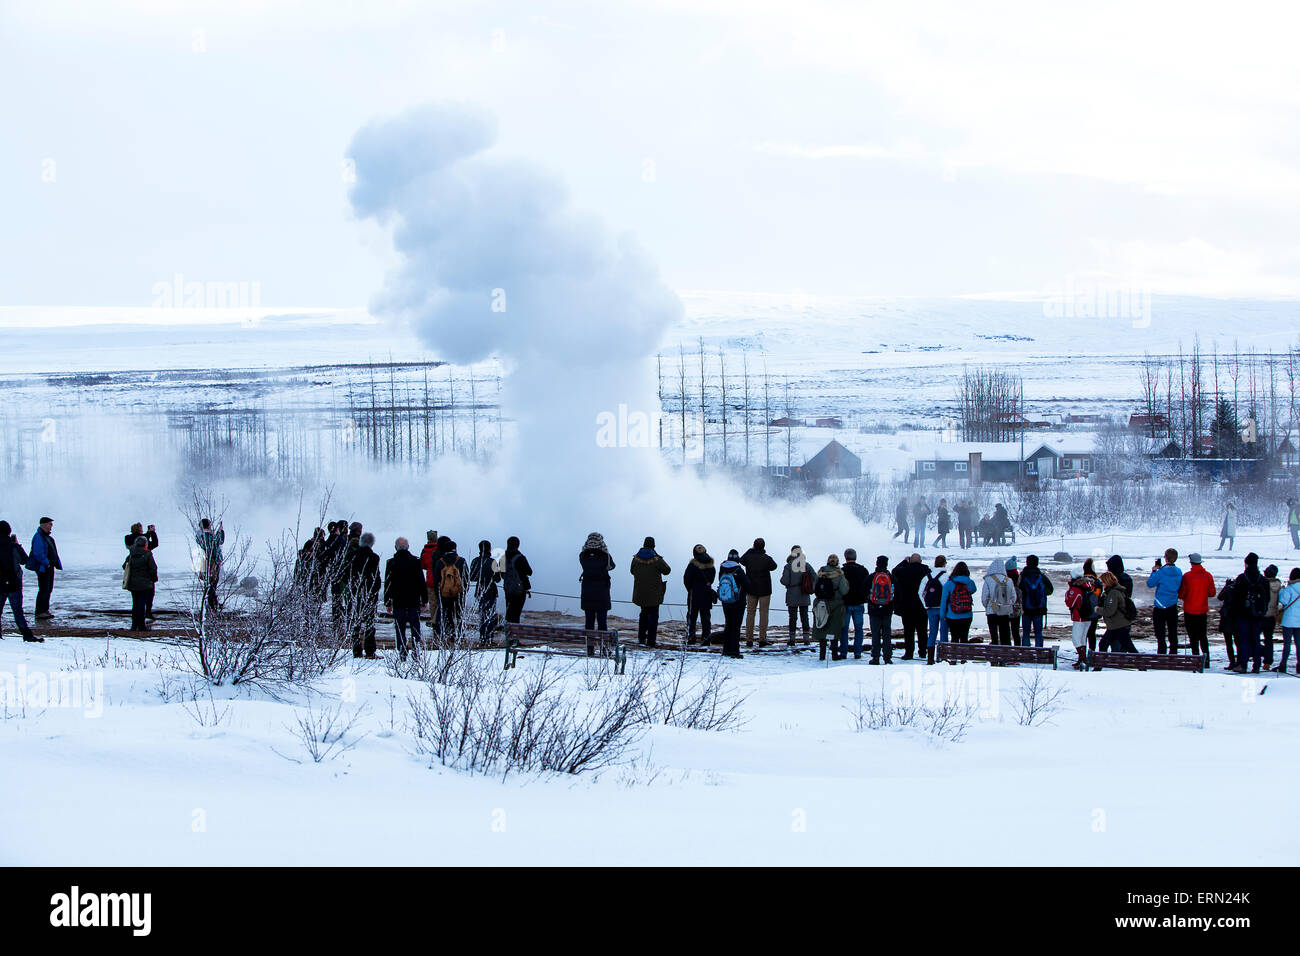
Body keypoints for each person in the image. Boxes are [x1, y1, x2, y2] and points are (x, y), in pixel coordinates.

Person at [384, 537, 428, 660]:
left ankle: (402, 652)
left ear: (395, 547)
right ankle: (416, 651)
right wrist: (424, 599)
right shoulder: (415, 561)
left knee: (400, 628)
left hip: (398, 601)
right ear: (408, 547)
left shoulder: (391, 562)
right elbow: (421, 581)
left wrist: (387, 602)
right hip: (413, 600)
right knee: (415, 628)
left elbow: (388, 584)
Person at [0, 521, 40, 642]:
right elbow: (25, 561)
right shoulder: (13, 546)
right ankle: (27, 635)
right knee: (18, 612)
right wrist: (17, 545)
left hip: (0, 585)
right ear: (9, 532)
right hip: (14, 584)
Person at [1230, 552, 1269, 673]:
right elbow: (1267, 598)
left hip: (1243, 614)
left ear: (1246, 564)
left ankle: (1243, 664)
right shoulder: (1263, 580)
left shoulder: (1241, 578)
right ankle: (1256, 665)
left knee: (1244, 640)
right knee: (1256, 639)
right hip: (1258, 614)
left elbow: (1235, 597)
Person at [630, 536, 671, 648]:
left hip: (640, 592)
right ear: (653, 545)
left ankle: (641, 638)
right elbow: (667, 570)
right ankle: (651, 641)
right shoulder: (656, 559)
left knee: (643, 614)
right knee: (653, 616)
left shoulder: (636, 558)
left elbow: (632, 571)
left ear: (643, 544)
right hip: (654, 593)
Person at [347, 531, 381, 659]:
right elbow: (376, 577)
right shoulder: (374, 557)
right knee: (369, 623)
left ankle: (356, 650)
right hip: (369, 593)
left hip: (354, 592)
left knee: (355, 622)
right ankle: (370, 650)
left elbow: (346, 574)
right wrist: (375, 590)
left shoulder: (351, 556)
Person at [739, 538, 778, 648]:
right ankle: (762, 639)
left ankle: (749, 639)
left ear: (754, 546)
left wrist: (750, 550)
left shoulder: (748, 557)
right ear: (764, 546)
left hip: (751, 588)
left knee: (750, 613)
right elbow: (774, 566)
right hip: (765, 589)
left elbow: (741, 560)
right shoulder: (767, 558)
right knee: (764, 613)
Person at [1178, 553, 1215, 667]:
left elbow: (1182, 594)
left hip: (1190, 610)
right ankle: (1206, 660)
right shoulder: (1207, 575)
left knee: (1193, 637)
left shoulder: (1187, 576)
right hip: (1202, 610)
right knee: (1203, 636)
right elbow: (1212, 593)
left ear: (1191, 562)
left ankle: (1196, 659)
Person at [892, 553, 930, 660]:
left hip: (907, 605)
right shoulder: (926, 570)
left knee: (908, 631)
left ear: (910, 561)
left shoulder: (903, 570)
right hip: (922, 605)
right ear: (921, 561)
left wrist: (904, 561)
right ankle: (923, 651)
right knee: (922, 630)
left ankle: (909, 652)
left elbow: (894, 571)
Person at [811, 554, 849, 662]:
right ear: (837, 562)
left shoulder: (820, 573)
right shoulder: (839, 574)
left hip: (821, 603)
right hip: (836, 604)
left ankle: (822, 654)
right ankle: (834, 654)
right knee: (834, 629)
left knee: (822, 627)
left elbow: (814, 588)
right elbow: (844, 590)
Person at [1146, 549, 1183, 655]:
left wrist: (1154, 571)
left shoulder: (1161, 572)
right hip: (1172, 604)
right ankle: (1173, 653)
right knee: (1173, 632)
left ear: (1165, 558)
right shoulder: (1179, 571)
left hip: (1160, 606)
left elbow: (1150, 584)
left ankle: (1162, 653)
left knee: (1160, 634)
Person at [717, 549, 751, 659]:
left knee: (728, 624)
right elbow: (747, 584)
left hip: (726, 601)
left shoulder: (722, 568)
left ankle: (726, 650)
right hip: (738, 601)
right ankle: (734, 651)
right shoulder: (739, 570)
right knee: (736, 626)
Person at [579, 532, 614, 633]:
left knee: (589, 623)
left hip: (587, 594)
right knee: (602, 623)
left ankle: (590, 647)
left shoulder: (583, 556)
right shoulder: (605, 556)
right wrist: (605, 550)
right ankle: (603, 647)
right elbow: (611, 566)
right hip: (602, 594)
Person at [122, 535, 159, 633]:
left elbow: (124, 566)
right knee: (142, 604)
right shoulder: (147, 554)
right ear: (145, 544)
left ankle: (134, 625)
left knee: (135, 604)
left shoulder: (131, 554)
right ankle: (141, 626)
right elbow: (153, 568)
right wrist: (153, 579)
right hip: (145, 584)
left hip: (133, 584)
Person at [1097, 570, 1138, 656]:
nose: (1102, 584)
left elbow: (1109, 611)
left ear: (1107, 582)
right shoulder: (1112, 592)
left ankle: (1141, 665)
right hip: (1115, 626)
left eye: (1103, 582)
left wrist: (1098, 609)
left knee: (1129, 647)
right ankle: (1098, 667)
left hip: (1119, 626)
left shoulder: (1113, 593)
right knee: (1103, 644)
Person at [125, 522, 160, 620]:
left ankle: (135, 623)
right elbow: (155, 543)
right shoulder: (147, 553)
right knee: (146, 597)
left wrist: (147, 534)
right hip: (145, 579)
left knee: (135, 601)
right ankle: (146, 614)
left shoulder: (130, 545)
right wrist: (151, 532)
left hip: (133, 577)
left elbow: (125, 566)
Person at [27, 517, 61, 620]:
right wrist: (47, 563)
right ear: (44, 525)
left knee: (48, 589)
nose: (51, 526)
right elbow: (38, 553)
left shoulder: (46, 537)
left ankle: (45, 610)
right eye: (50, 524)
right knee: (44, 589)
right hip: (43, 567)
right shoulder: (38, 537)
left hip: (48, 566)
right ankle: (40, 612)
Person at [779, 545, 813, 646]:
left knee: (792, 617)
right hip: (804, 593)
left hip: (792, 594)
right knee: (805, 617)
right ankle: (806, 639)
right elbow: (815, 577)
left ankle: (792, 639)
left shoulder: (788, 566)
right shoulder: (806, 565)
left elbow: (784, 580)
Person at [838, 549, 868, 660]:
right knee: (859, 629)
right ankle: (857, 652)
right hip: (859, 603)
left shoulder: (842, 571)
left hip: (845, 603)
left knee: (844, 629)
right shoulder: (863, 570)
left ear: (845, 557)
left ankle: (843, 652)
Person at [434, 539, 468, 640]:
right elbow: (466, 578)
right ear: (455, 548)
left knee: (447, 615)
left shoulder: (440, 562)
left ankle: (449, 634)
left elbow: (437, 580)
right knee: (459, 615)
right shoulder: (461, 561)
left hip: (444, 594)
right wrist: (463, 591)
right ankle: (460, 635)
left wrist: (438, 594)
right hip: (458, 593)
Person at [469, 540, 501, 646]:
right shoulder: (493, 562)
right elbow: (497, 579)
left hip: (479, 590)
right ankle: (490, 638)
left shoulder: (475, 561)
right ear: (489, 549)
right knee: (490, 615)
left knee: (482, 614)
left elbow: (472, 578)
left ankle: (482, 638)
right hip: (491, 590)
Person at [683, 544, 716, 646]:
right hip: (706, 593)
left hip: (694, 594)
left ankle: (691, 638)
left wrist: (691, 589)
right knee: (706, 617)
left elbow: (686, 579)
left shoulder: (692, 565)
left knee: (692, 617)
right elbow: (712, 579)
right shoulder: (711, 565)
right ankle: (706, 639)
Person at [1017, 554, 1053, 648]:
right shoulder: (1041, 576)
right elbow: (1050, 590)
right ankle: (1039, 650)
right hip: (1039, 608)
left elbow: (1018, 591)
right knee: (1038, 632)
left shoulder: (1022, 576)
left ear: (1027, 563)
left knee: (1026, 632)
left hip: (1026, 608)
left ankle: (1025, 651)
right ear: (1037, 563)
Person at [980, 558, 1016, 650]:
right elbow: (1013, 597)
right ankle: (1006, 651)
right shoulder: (1009, 580)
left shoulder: (988, 579)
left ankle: (995, 651)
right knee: (1005, 632)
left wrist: (988, 607)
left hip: (992, 610)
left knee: (994, 633)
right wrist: (1007, 605)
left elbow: (984, 597)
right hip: (1004, 610)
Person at [866, 555, 895, 665]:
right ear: (886, 564)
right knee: (887, 633)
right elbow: (899, 591)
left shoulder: (872, 577)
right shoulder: (891, 577)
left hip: (874, 609)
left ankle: (875, 657)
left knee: (875, 633)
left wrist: (870, 601)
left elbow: (863, 589)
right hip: (887, 609)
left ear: (877, 563)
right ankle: (887, 657)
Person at [940, 561, 977, 645]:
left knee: (954, 637)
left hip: (952, 615)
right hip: (967, 614)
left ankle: (954, 656)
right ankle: (963, 657)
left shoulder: (949, 583)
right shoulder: (970, 582)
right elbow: (973, 590)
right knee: (964, 638)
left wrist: (942, 615)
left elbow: (944, 600)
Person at [921, 555, 949, 661]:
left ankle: (930, 658)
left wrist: (926, 604)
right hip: (943, 608)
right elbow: (948, 593)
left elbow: (920, 592)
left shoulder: (927, 577)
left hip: (930, 608)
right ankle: (943, 656)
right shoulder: (946, 576)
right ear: (944, 563)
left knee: (932, 632)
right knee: (944, 631)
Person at [501, 536, 533, 624]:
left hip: (508, 589)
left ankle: (509, 635)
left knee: (509, 614)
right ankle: (515, 635)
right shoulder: (520, 557)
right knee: (516, 615)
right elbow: (529, 572)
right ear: (518, 545)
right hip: (520, 589)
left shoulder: (503, 558)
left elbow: (502, 575)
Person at [195, 517, 224, 612]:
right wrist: (220, 532)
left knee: (211, 582)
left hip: (209, 561)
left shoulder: (203, 535)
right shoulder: (206, 536)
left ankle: (213, 602)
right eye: (210, 525)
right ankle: (211, 605)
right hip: (212, 561)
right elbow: (217, 543)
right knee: (212, 582)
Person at [1274, 567, 1300, 673]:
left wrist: (1282, 591)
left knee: (1287, 644)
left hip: (1288, 621)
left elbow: (1282, 603)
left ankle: (1283, 665)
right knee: (1299, 645)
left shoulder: (1289, 589)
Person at [1081, 558, 1104, 652]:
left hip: (1082, 611)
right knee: (1091, 633)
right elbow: (1098, 595)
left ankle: (1082, 655)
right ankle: (1092, 652)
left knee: (1082, 634)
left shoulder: (1080, 581)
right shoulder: (1097, 582)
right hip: (1094, 611)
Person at [1262, 564, 1282, 668]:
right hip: (1272, 615)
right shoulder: (1278, 585)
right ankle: (1268, 661)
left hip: (1261, 614)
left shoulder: (1262, 583)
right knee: (1269, 638)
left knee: (1255, 637)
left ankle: (1257, 656)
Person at [1217, 577, 1239, 671]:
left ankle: (1232, 662)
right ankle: (1239, 662)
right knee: (1238, 642)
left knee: (1229, 642)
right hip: (1237, 617)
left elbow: (1220, 597)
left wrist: (1226, 586)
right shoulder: (1240, 589)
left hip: (1227, 617)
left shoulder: (1229, 589)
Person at [419, 530, 440, 613]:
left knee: (433, 604)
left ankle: (434, 623)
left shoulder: (424, 550)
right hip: (442, 580)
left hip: (430, 580)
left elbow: (422, 565)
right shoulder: (440, 550)